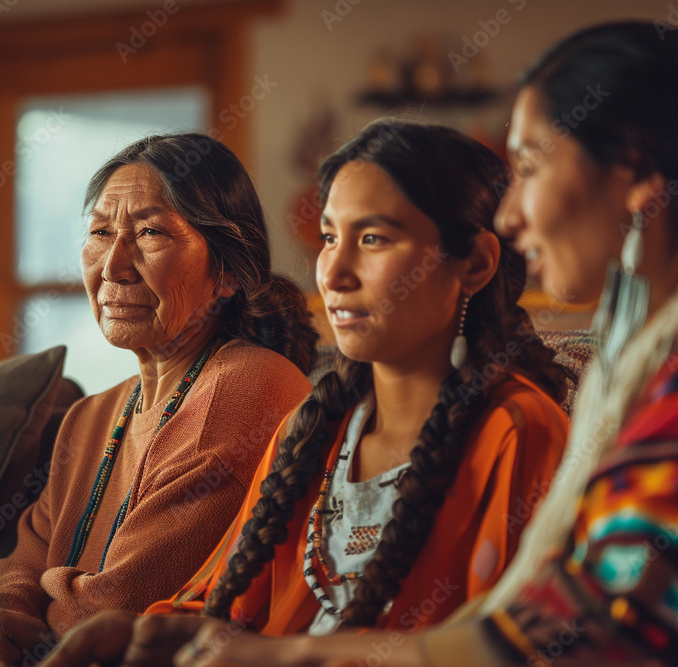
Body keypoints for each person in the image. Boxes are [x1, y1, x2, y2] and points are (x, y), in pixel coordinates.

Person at [124, 21, 678, 667]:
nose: (512, 212)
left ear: (632, 172)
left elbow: (601, 639)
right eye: (327, 236)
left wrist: (291, 656)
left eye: (527, 165)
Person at [42, 120, 573, 666]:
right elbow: (219, 603)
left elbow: (513, 647)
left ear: (476, 262)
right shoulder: (316, 429)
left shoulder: (518, 431)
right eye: (329, 238)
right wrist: (147, 636)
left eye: (373, 239)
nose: (334, 273)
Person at [0, 133, 319, 666]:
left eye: (150, 232)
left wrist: (37, 609)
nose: (113, 267)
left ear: (226, 272)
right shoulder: (90, 417)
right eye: (101, 232)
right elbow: (17, 572)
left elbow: (123, 613)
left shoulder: (252, 387)